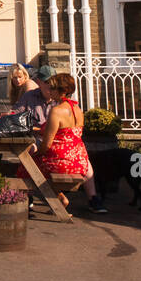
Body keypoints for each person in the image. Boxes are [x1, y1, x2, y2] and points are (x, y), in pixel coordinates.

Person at [17, 73, 105, 212]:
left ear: (62, 91)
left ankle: (28, 200)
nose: (50, 91)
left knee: (26, 163)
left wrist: (37, 154)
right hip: (79, 161)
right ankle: (63, 198)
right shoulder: (78, 109)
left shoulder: (56, 111)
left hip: (61, 162)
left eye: (53, 88)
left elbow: (46, 144)